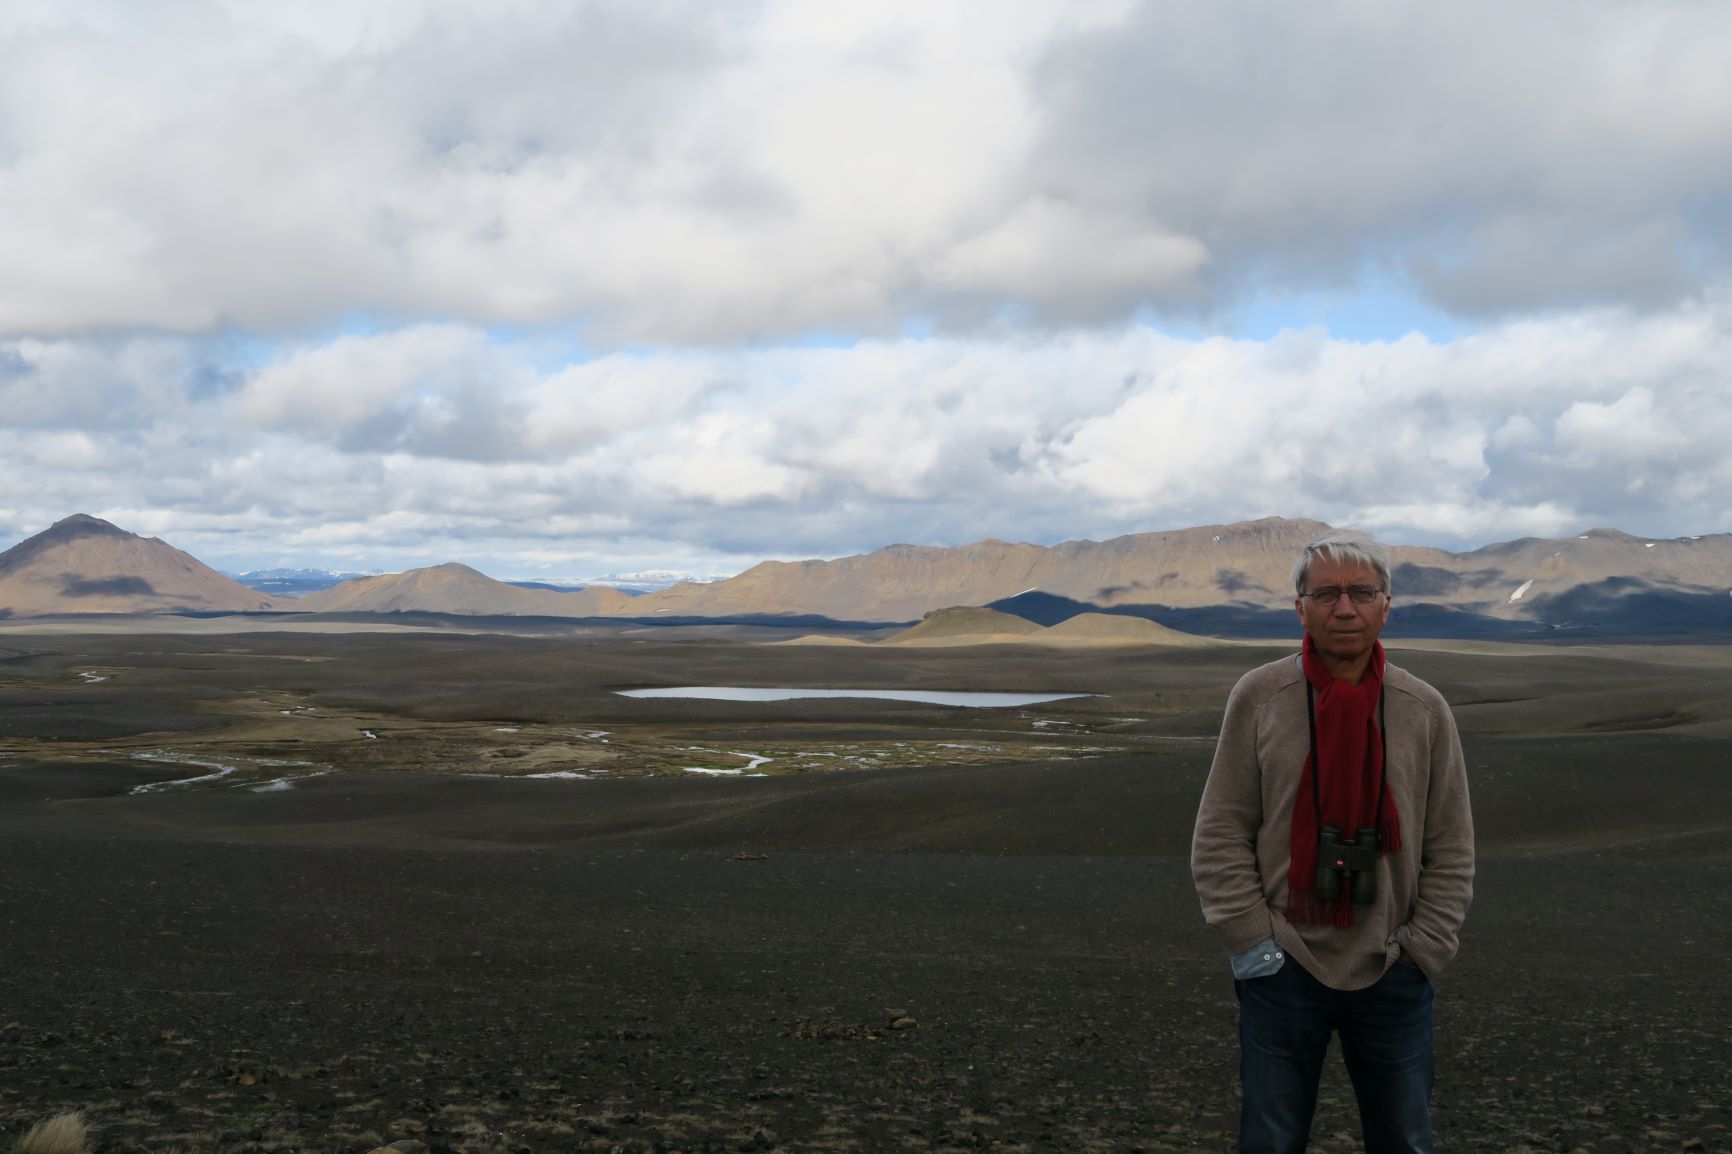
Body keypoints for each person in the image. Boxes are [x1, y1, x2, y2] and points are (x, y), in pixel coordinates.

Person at [1191, 528, 1474, 1154]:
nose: (1344, 608)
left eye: (1361, 593)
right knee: (1270, 1142)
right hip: (1283, 967)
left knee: (1404, 1141)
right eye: (1326, 594)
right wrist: (1253, 943)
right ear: (1301, 608)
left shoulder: (1423, 709)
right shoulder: (1260, 697)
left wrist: (1423, 950)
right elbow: (1220, 830)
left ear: (1386, 605)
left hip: (1392, 967)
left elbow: (1452, 845)